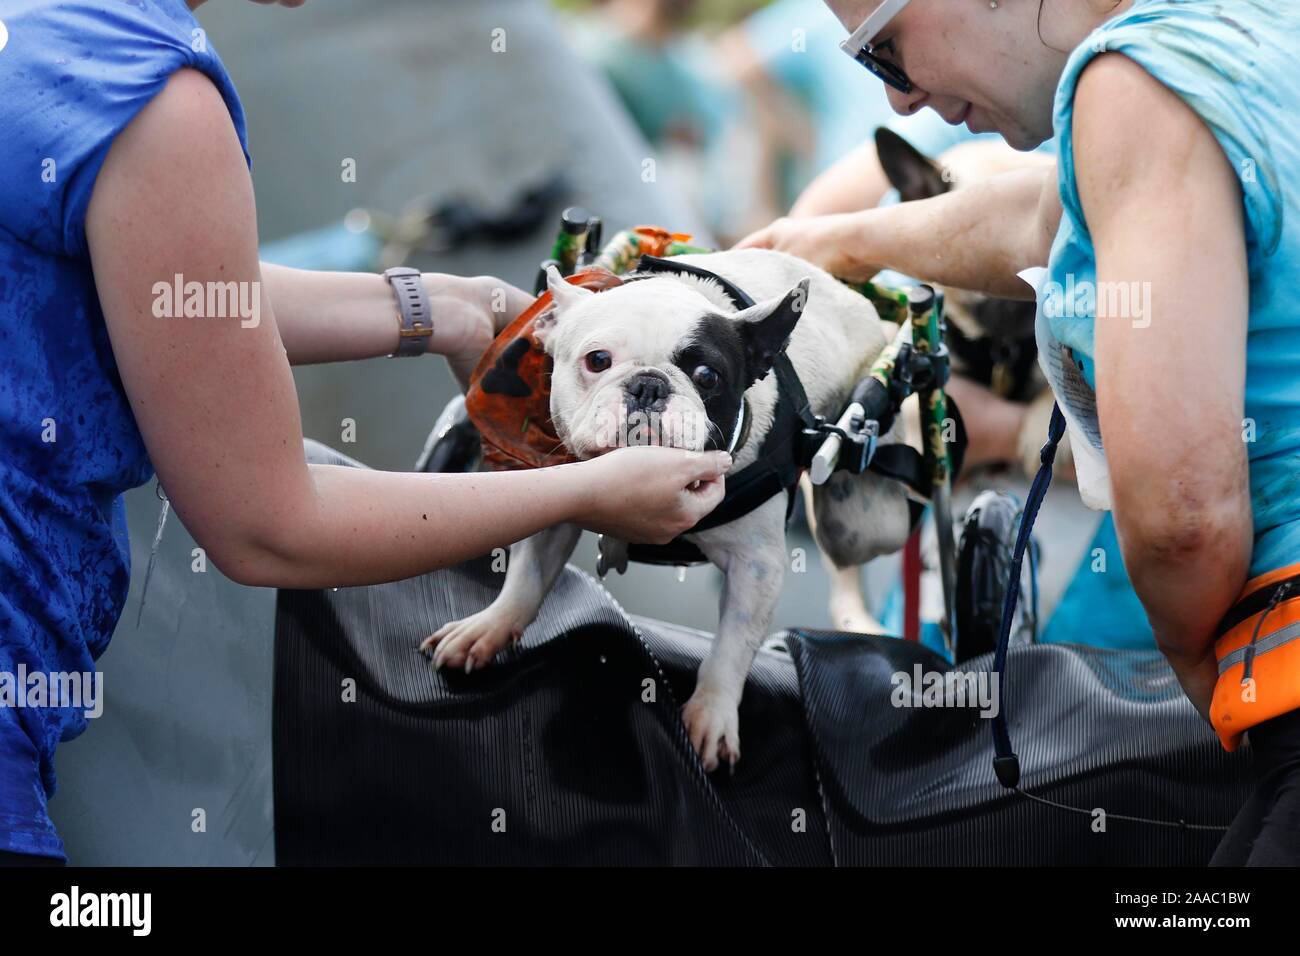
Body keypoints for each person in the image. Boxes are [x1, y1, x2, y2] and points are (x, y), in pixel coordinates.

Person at [0, 0, 730, 864]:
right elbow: (269, 526)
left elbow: (159, 284)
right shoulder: (152, 97)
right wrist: (586, 490)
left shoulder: (45, 29)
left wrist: (455, 309)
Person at [740, 0, 1300, 865]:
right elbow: (1050, 216)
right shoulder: (1240, 27)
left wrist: (1207, 673)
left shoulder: (1134, 86)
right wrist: (825, 242)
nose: (898, 101)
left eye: (886, 51)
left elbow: (1182, 517)